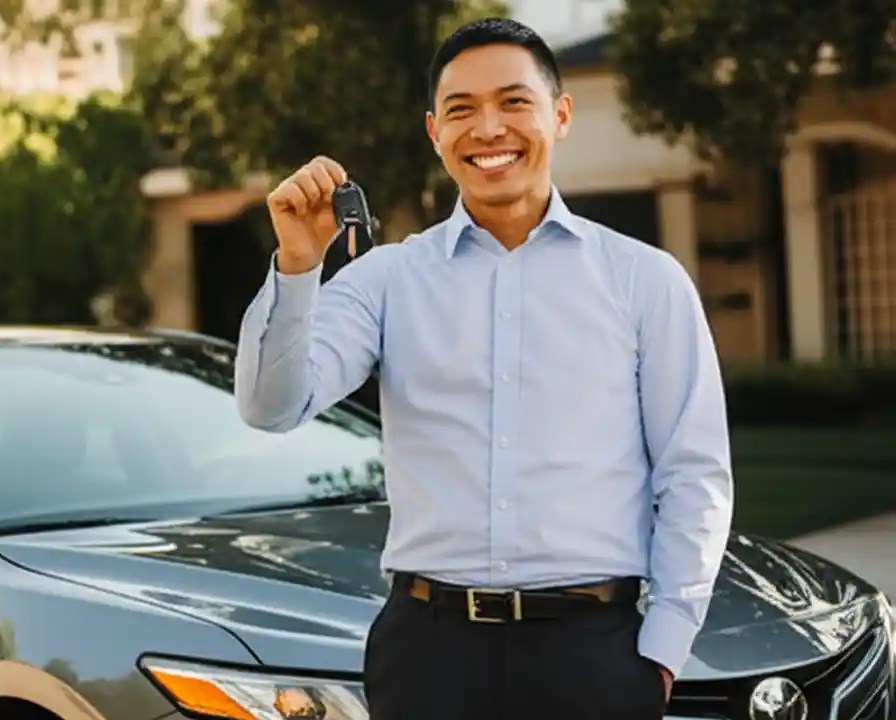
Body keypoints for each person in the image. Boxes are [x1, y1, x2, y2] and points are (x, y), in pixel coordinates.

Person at [233, 16, 734, 720]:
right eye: (462, 110)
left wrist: (661, 652)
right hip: (429, 656)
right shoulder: (387, 279)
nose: (489, 128)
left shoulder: (645, 280)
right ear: (435, 132)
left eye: (514, 102)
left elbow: (695, 473)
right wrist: (296, 264)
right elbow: (270, 404)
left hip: (595, 656)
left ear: (560, 116)